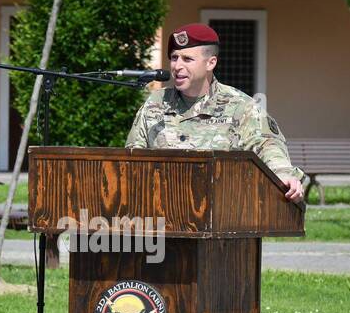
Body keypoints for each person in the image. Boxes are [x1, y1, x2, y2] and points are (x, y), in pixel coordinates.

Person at [125, 23, 305, 202]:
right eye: (174, 58)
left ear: (211, 62)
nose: (177, 66)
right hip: (163, 210)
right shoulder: (155, 103)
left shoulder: (240, 106)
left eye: (187, 59)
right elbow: (132, 155)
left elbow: (267, 144)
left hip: (223, 211)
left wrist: (283, 173)